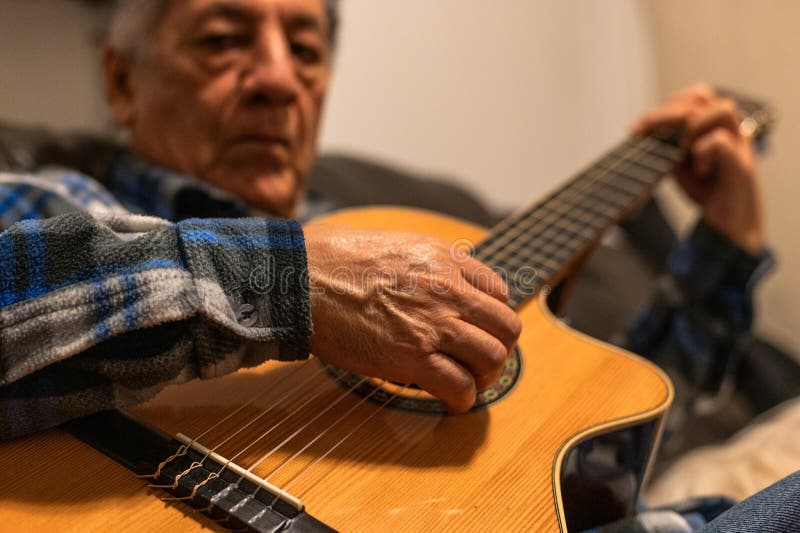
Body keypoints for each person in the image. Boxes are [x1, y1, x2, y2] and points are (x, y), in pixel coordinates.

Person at [0, 0, 788, 529]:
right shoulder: (51, 200)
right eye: (222, 40)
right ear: (121, 81)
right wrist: (295, 282)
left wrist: (723, 250)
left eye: (305, 50)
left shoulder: (403, 250)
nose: (278, 79)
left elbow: (602, 433)